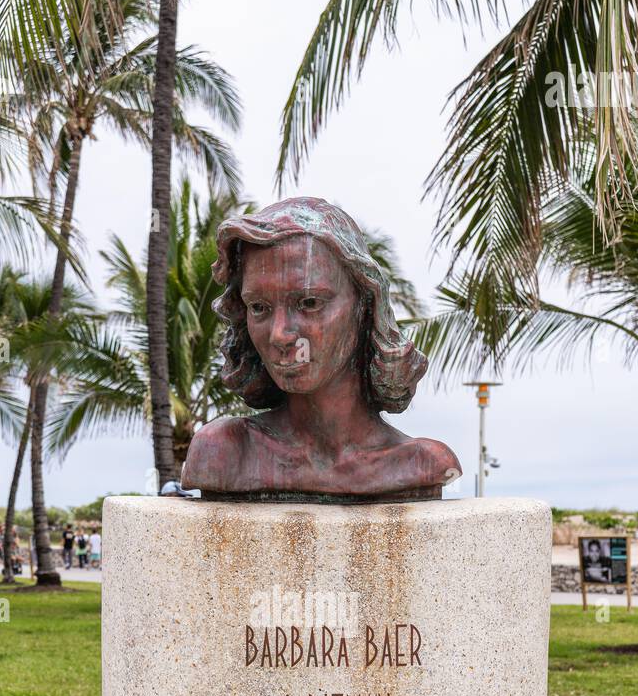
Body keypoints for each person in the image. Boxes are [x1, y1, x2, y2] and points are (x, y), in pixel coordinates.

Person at [181, 196, 461, 500]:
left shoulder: (420, 463)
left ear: (365, 306)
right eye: (259, 307)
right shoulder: (224, 453)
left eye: (310, 303)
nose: (280, 335)